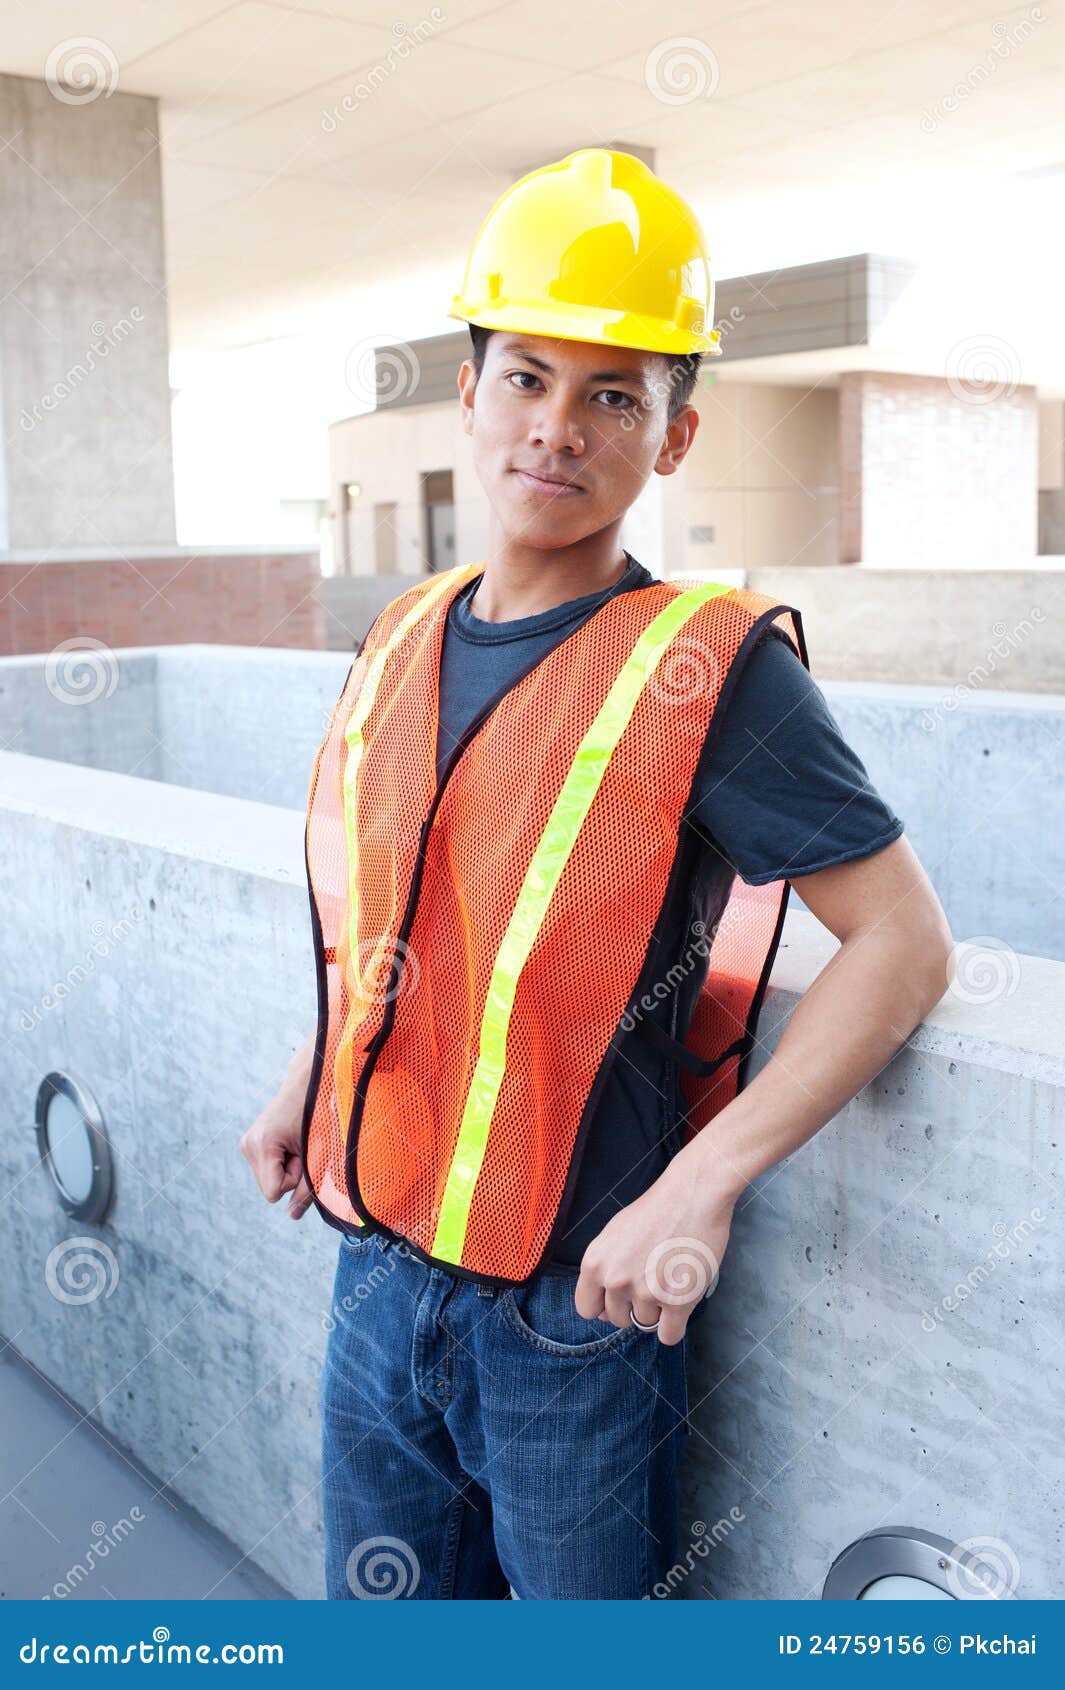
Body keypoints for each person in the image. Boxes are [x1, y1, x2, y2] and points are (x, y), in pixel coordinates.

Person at [241, 150, 953, 1601]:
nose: (558, 428)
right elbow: (409, 906)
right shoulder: (402, 633)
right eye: (528, 377)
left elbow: (903, 943)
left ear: (673, 436)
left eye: (613, 395)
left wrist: (702, 1185)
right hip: (374, 1257)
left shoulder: (707, 668)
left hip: (573, 1305)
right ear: (468, 390)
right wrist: (317, 1072)